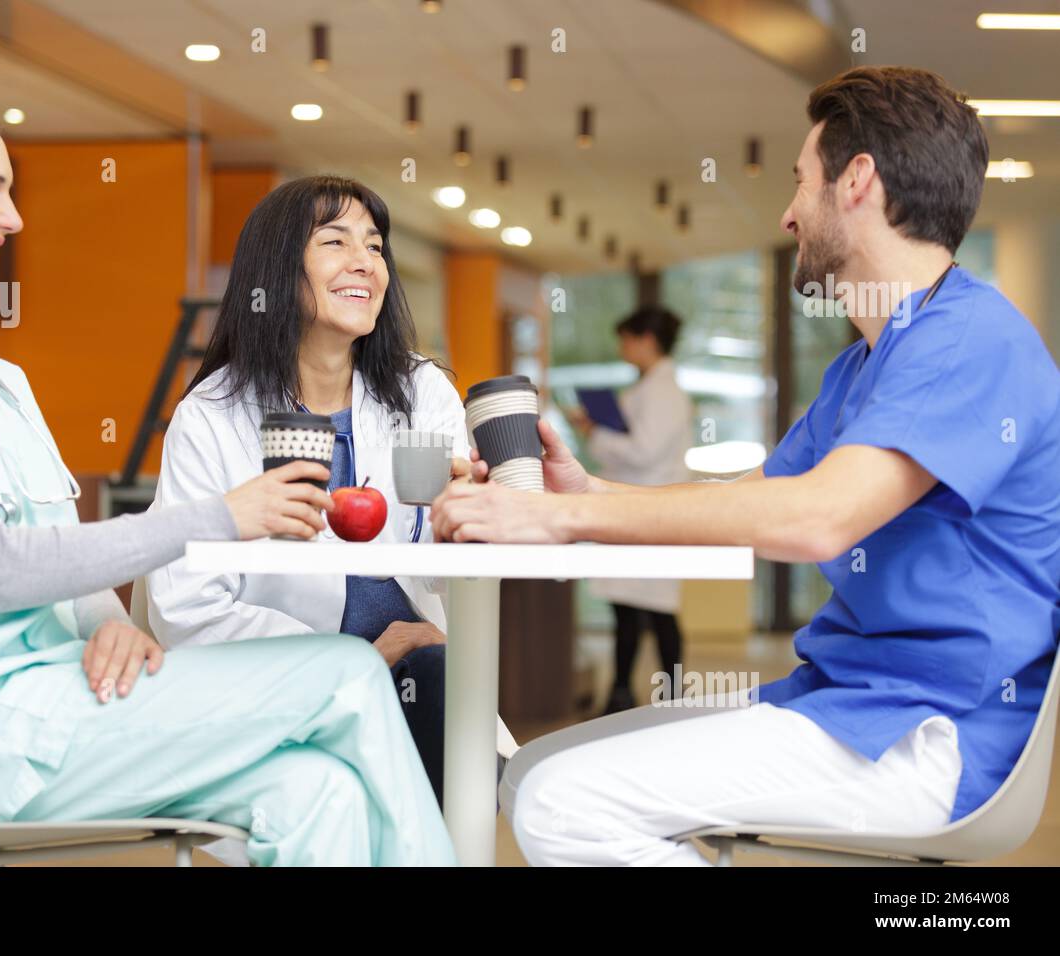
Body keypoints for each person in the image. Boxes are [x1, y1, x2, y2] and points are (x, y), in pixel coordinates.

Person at [0, 92, 455, 866]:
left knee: (318, 791)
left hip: (80, 700)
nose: (14, 217)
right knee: (349, 674)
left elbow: (61, 553)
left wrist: (111, 625)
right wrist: (221, 516)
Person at [430, 66, 1060, 866]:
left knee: (562, 802)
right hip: (849, 705)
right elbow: (756, 502)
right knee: (532, 774)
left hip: (928, 734)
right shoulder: (864, 365)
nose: (789, 212)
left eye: (802, 182)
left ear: (857, 180)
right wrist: (590, 491)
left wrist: (559, 518)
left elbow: (818, 517)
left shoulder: (969, 341)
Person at [144, 175, 516, 809]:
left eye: (375, 247)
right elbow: (184, 605)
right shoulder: (212, 415)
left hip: (422, 664)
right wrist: (350, 657)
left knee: (442, 689)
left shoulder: (422, 393)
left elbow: (464, 576)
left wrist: (474, 519)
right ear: (278, 267)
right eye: (335, 241)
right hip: (283, 682)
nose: (364, 263)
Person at [568, 306, 694, 714]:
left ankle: (664, 694)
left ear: (647, 340)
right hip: (636, 506)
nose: (622, 347)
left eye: (627, 338)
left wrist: (596, 432)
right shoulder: (647, 388)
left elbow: (642, 451)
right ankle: (623, 692)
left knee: (657, 610)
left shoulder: (664, 392)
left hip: (652, 507)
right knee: (631, 608)